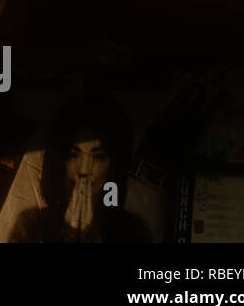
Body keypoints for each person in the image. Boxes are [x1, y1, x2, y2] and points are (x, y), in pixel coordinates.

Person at [9, 96, 151, 243]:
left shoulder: (133, 230)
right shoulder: (31, 225)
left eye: (98, 157)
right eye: (74, 155)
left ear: (113, 163)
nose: (84, 170)